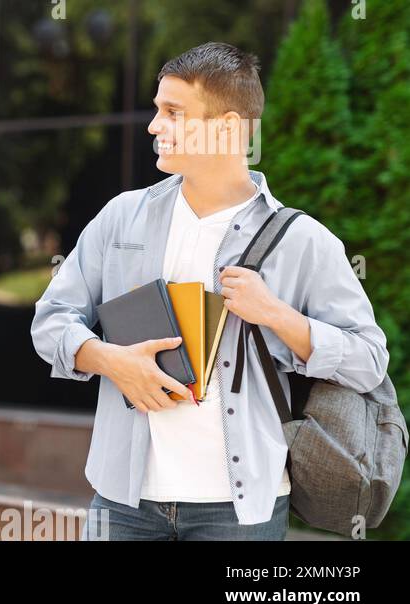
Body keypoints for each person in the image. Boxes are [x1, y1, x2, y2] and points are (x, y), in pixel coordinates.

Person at [31, 42, 388, 540]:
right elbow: (51, 321)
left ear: (227, 127)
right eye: (157, 110)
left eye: (173, 112)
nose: (154, 126)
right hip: (123, 501)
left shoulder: (303, 240)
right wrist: (110, 361)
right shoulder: (122, 218)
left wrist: (278, 315)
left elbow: (369, 359)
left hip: (240, 511)